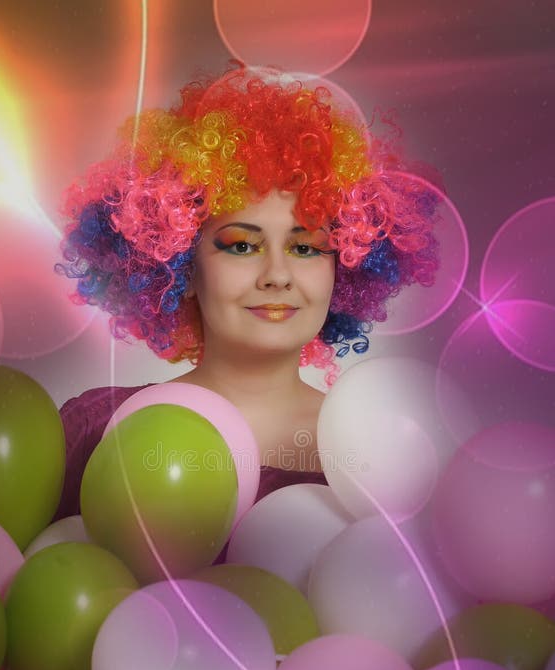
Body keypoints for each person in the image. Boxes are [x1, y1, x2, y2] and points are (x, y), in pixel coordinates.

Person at [54, 63, 439, 522]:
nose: (277, 275)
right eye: (241, 245)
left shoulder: (389, 455)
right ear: (182, 268)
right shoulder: (96, 429)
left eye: (305, 247)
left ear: (345, 265)